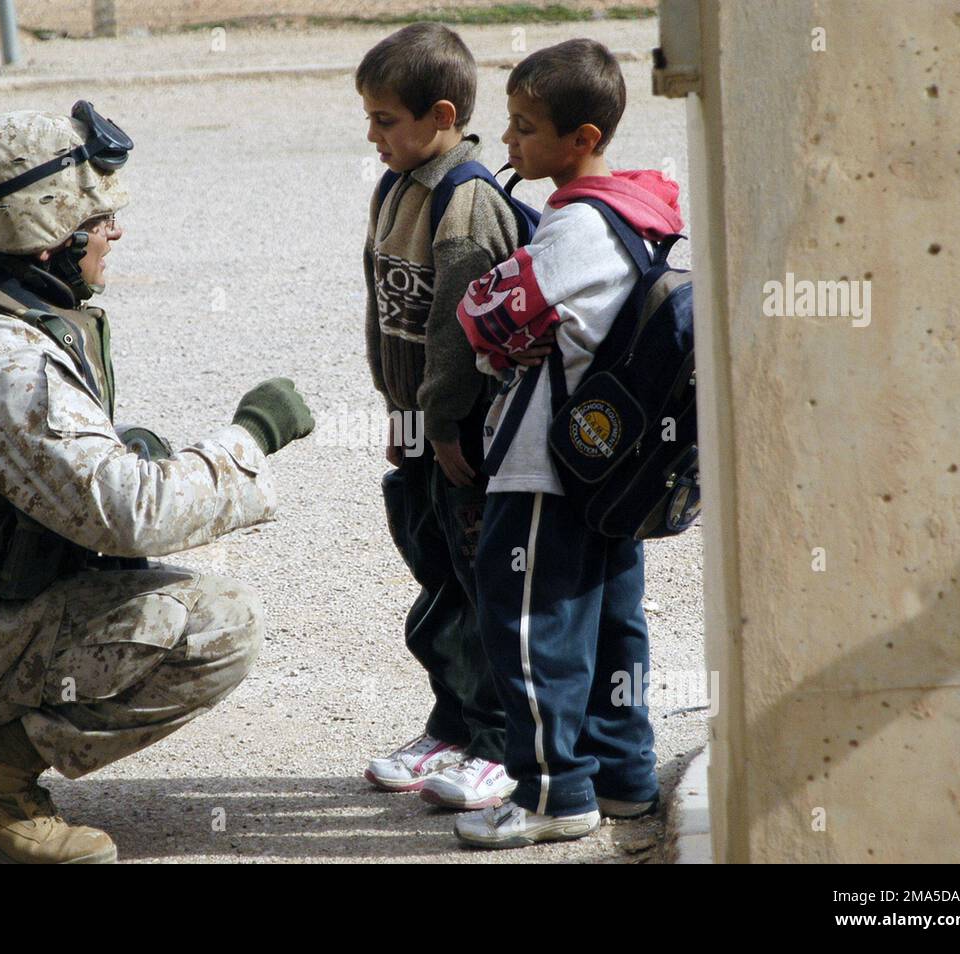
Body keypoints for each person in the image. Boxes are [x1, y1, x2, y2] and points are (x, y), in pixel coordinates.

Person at [0, 103, 314, 864]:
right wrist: (248, 440)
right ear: (47, 231)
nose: (114, 233)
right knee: (215, 623)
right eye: (99, 219)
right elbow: (129, 512)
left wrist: (129, 448)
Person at [452, 39, 685, 848]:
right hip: (611, 465)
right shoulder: (642, 213)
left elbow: (487, 314)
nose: (508, 147)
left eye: (524, 129)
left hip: (544, 465)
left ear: (582, 139)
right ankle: (622, 781)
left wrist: (505, 326)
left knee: (531, 627)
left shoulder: (581, 223)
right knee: (612, 623)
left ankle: (553, 794)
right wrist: (521, 327)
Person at [356, 22, 524, 810]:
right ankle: (452, 727)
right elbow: (388, 314)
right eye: (371, 117)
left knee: (482, 584)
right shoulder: (397, 189)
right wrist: (404, 414)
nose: (373, 134)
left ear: (443, 114)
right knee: (438, 582)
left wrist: (448, 424)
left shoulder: (467, 204)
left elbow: (459, 333)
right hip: (425, 429)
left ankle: (500, 748)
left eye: (387, 119)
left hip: (467, 437)